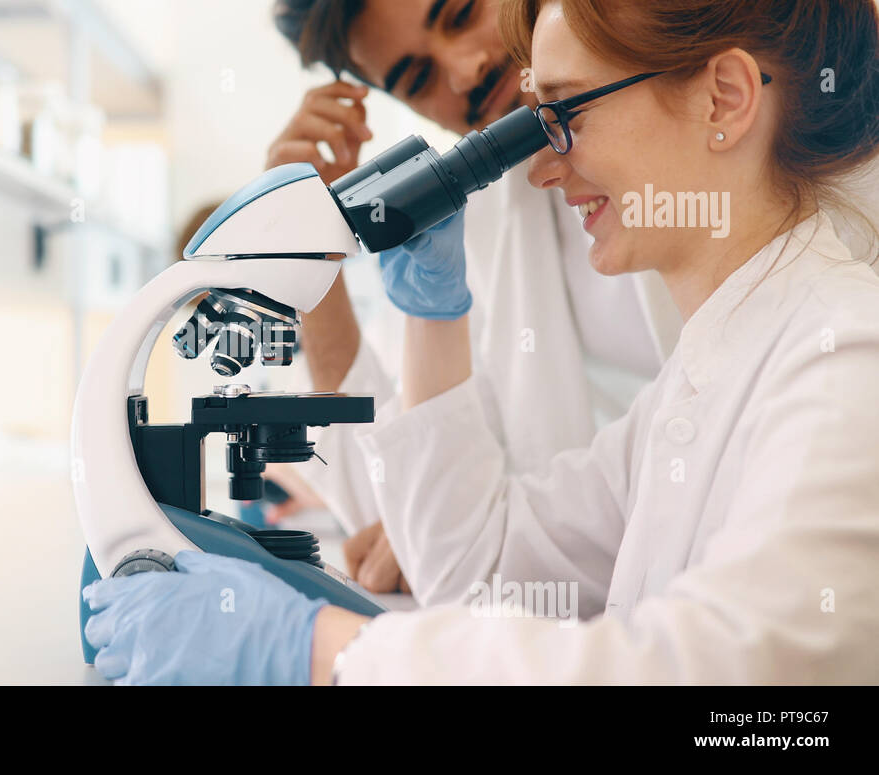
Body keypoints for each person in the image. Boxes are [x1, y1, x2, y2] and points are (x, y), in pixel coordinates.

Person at [82, 0, 879, 684]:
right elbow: (479, 568)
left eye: (566, 112)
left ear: (725, 99)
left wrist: (322, 652)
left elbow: (743, 696)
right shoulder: (702, 376)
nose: (543, 166)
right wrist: (432, 309)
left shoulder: (845, 359)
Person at [266, 0, 685, 594]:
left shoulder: (701, 125)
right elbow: (396, 493)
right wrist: (308, 249)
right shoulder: (478, 223)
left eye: (461, 14)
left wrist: (453, 535)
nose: (463, 71)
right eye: (418, 79)